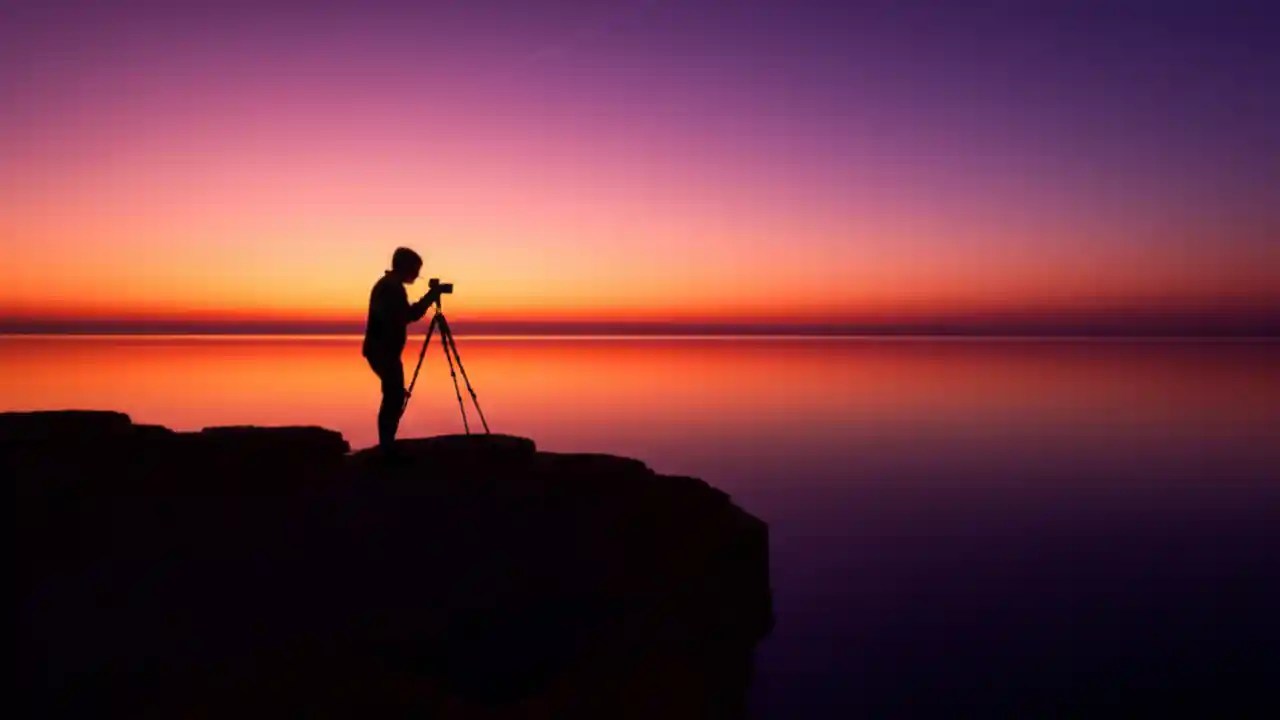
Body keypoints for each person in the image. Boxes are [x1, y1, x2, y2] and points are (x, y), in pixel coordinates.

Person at [362, 247, 441, 457]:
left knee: (394, 395)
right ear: (406, 267)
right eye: (416, 270)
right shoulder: (391, 288)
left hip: (383, 350)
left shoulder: (390, 285)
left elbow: (402, 316)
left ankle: (387, 444)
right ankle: (386, 448)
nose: (417, 275)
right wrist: (430, 298)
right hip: (383, 351)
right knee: (393, 397)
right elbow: (407, 315)